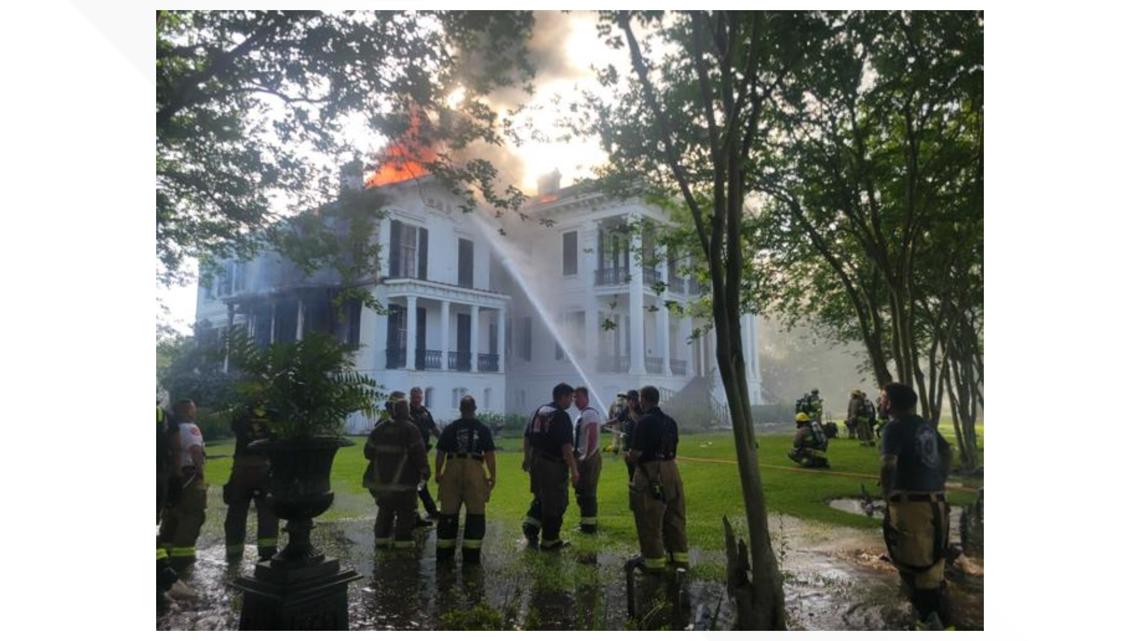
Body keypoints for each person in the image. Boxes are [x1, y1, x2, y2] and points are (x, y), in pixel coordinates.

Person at [879, 382, 953, 627]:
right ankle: (940, 619)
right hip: (937, 503)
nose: (880, 402)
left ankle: (929, 622)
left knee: (915, 564)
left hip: (912, 506)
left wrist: (887, 494)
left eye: (883, 398)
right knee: (933, 564)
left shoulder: (894, 427)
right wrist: (940, 480)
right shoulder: (925, 425)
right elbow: (947, 451)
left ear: (890, 403)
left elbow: (888, 464)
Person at [628, 386, 688, 572]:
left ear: (643, 400)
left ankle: (653, 563)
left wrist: (628, 456)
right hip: (672, 470)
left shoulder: (644, 422)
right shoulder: (670, 421)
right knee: (674, 517)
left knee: (650, 519)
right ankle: (678, 559)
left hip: (651, 473)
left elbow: (636, 453)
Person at [435, 395, 497, 564]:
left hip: (452, 467)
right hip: (474, 468)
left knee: (448, 511)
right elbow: (489, 455)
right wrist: (493, 475)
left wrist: (438, 472)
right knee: (476, 511)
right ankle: (471, 556)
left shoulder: (450, 428)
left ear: (461, 409)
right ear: (474, 409)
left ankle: (444, 554)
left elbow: (440, 452)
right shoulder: (482, 429)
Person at [364, 392, 429, 550]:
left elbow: (368, 452)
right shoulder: (411, 429)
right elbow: (419, 454)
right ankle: (403, 547)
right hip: (405, 483)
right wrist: (425, 471)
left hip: (382, 482)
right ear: (406, 412)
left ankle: (381, 542)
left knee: (384, 511)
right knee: (405, 514)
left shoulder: (380, 429)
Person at [521, 383, 580, 550]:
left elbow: (527, 437)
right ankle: (550, 540)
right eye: (570, 398)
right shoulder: (561, 416)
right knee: (556, 501)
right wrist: (574, 470)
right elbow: (566, 447)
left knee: (540, 496)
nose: (571, 402)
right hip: (552, 464)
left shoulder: (538, 411)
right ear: (562, 397)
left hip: (536, 461)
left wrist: (527, 458)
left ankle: (530, 528)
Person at [222, 403, 279, 562]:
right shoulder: (274, 414)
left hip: (241, 468)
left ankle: (233, 551)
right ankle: (267, 551)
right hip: (264, 467)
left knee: (236, 511)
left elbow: (235, 428)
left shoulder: (240, 413)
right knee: (267, 512)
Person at [157, 399, 207, 571]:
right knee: (192, 515)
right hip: (189, 475)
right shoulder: (190, 428)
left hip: (171, 477)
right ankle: (183, 558)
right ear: (188, 411)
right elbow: (196, 451)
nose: (196, 411)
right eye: (193, 408)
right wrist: (201, 474)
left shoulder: (169, 427)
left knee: (172, 514)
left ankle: (165, 552)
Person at [571, 386, 604, 534]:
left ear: (586, 397)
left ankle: (589, 526)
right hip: (580, 456)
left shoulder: (590, 414)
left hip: (589, 458)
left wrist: (586, 456)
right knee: (581, 490)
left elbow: (592, 437)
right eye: (574, 398)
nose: (575, 401)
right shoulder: (581, 415)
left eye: (578, 397)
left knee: (588, 491)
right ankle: (585, 521)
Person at [409, 387, 442, 526]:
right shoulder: (407, 412)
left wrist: (444, 440)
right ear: (411, 397)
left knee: (421, 480)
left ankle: (429, 509)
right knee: (415, 481)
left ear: (422, 397)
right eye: (414, 397)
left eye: (419, 397)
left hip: (423, 452)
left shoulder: (425, 412)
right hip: (410, 454)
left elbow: (433, 428)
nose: (416, 399)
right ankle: (420, 511)